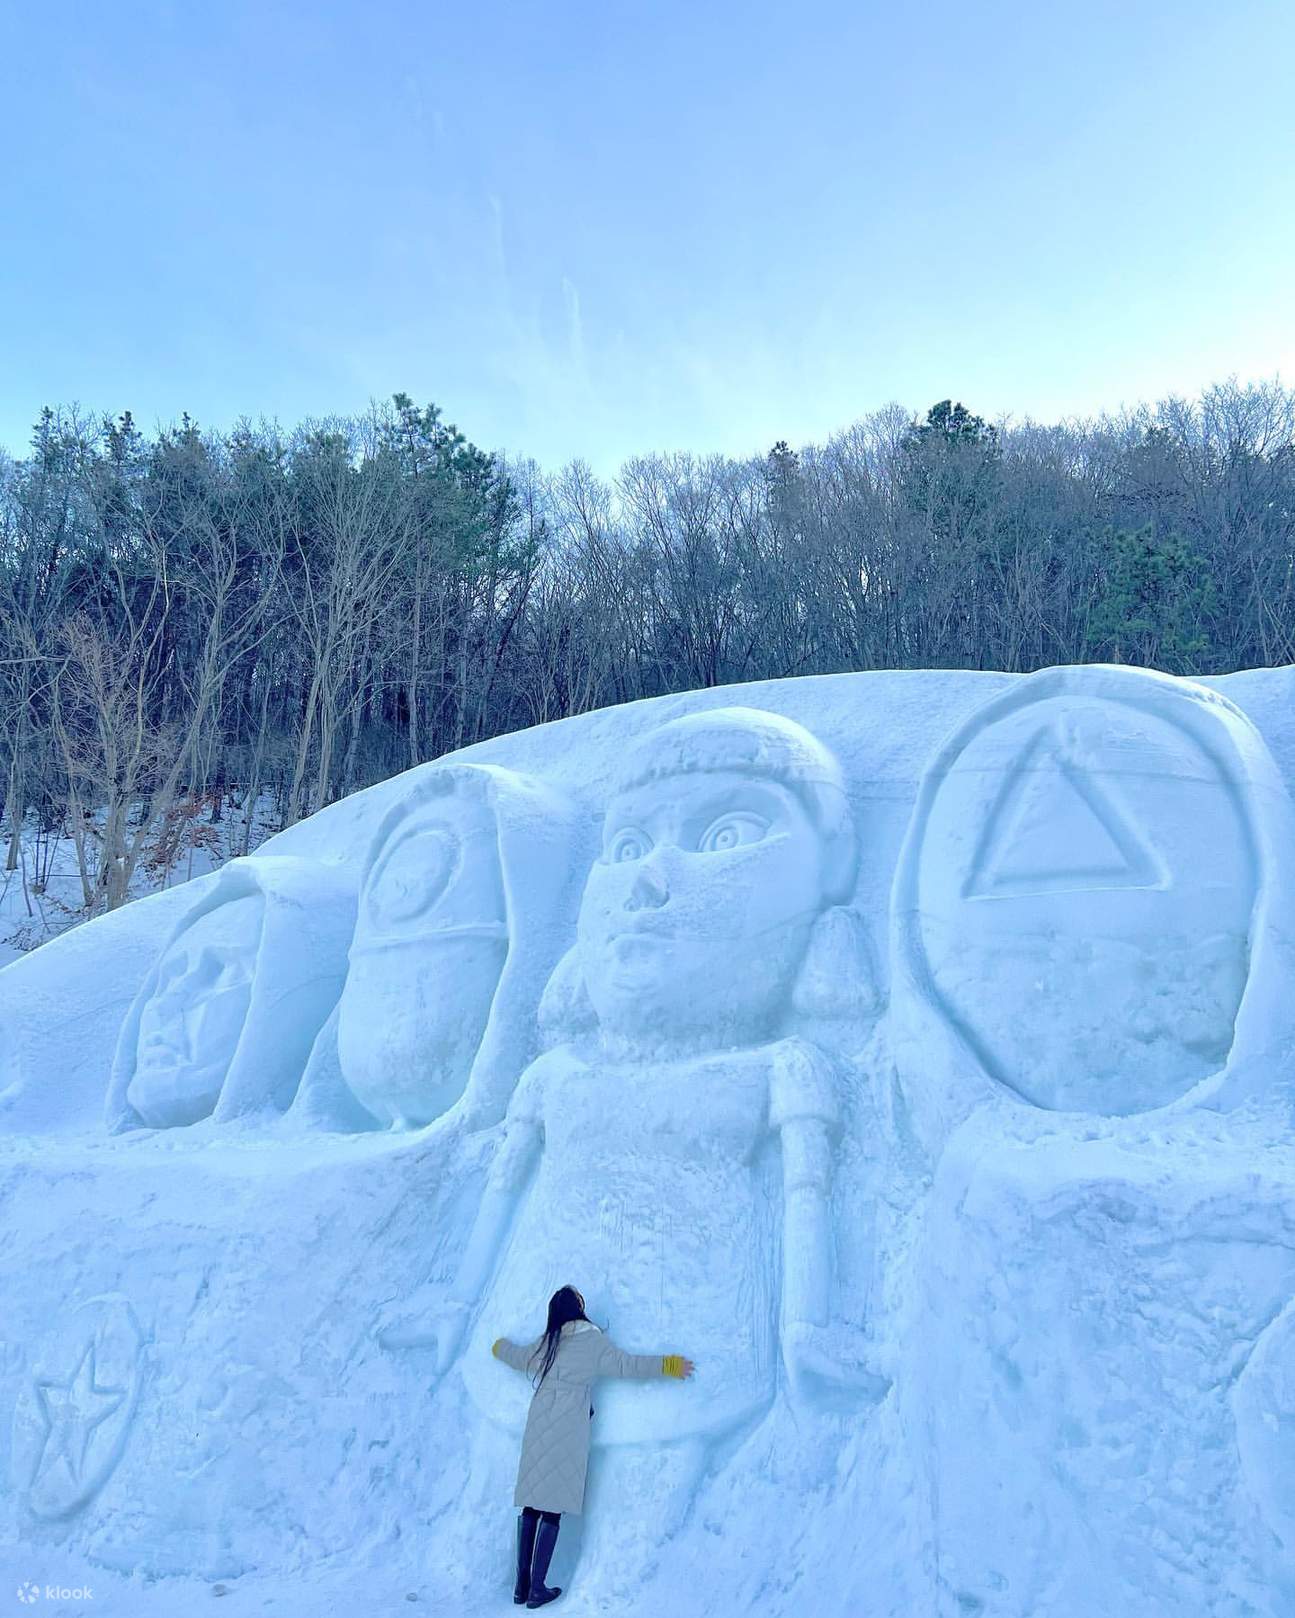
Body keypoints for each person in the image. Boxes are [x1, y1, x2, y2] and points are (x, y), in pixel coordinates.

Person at [490, 1285, 695, 1608]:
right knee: (552, 1505)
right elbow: (628, 1365)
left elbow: (516, 1357)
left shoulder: (549, 1342)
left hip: (539, 1421)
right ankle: (537, 1589)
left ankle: (522, 1586)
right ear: (579, 1309)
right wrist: (668, 1365)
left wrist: (497, 1346)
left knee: (531, 1503)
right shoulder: (592, 1341)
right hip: (568, 1427)